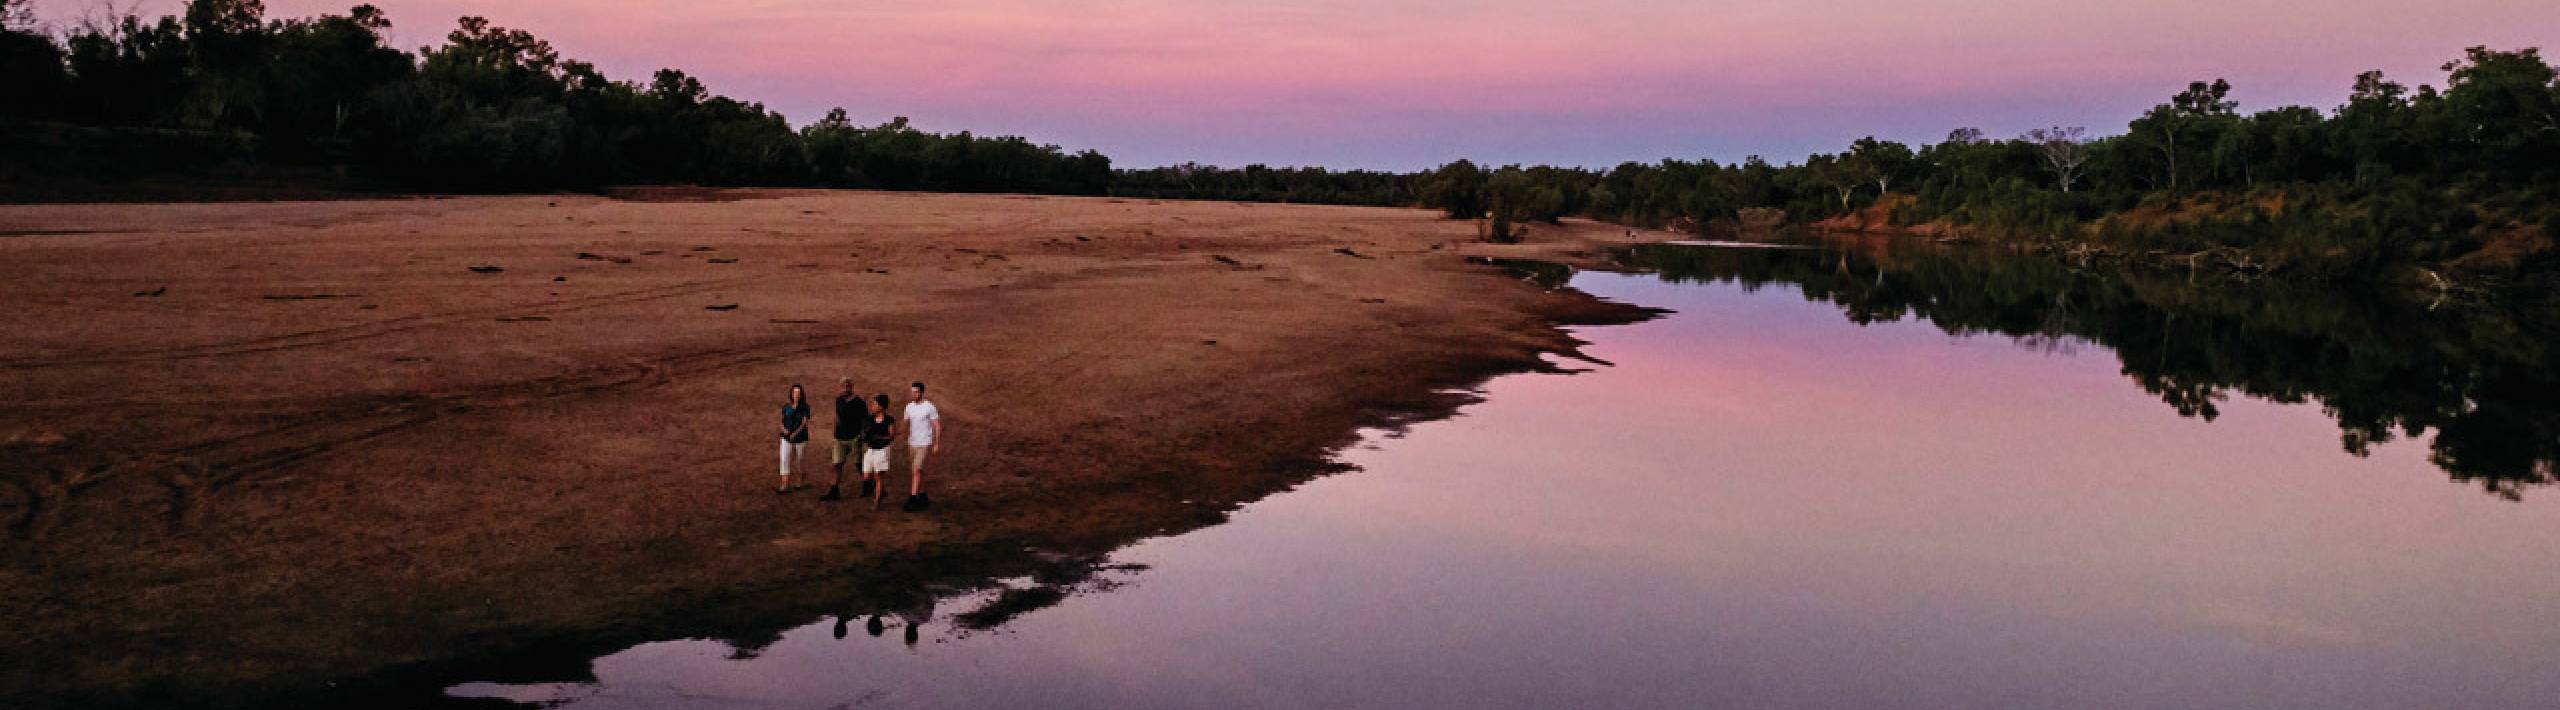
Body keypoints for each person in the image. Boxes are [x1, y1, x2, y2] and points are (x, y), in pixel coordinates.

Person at [897, 381, 942, 511]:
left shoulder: (929, 407)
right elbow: (905, 423)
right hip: (912, 443)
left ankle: (912, 498)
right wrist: (898, 433)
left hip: (924, 443)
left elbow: (937, 426)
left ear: (921, 392)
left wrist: (936, 443)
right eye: (912, 392)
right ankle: (923, 495)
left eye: (916, 392)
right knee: (918, 471)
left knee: (916, 470)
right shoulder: (909, 407)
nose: (913, 394)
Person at [822, 378, 862, 501]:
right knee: (836, 464)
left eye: (847, 386)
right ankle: (834, 491)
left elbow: (864, 420)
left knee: (859, 464)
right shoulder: (838, 400)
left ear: (851, 387)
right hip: (840, 438)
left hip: (854, 437)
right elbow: (837, 415)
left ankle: (870, 485)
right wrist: (834, 431)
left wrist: (861, 435)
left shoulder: (858, 402)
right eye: (843, 386)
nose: (845, 388)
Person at [860, 394, 897, 508]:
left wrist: (879, 438)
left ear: (881, 406)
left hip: (882, 450)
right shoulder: (870, 419)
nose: (872, 406)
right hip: (871, 450)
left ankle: (877, 502)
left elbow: (892, 436)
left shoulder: (889, 420)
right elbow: (864, 433)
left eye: (875, 404)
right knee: (866, 476)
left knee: (878, 477)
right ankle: (880, 491)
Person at [776, 384, 810, 494]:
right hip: (786, 438)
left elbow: (804, 423)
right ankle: (784, 484)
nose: (796, 395)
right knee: (784, 459)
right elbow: (781, 421)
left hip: (800, 438)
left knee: (799, 460)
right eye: (794, 393)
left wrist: (795, 433)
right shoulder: (786, 407)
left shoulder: (805, 407)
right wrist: (783, 429)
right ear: (791, 394)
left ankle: (800, 479)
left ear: (801, 395)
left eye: (798, 393)